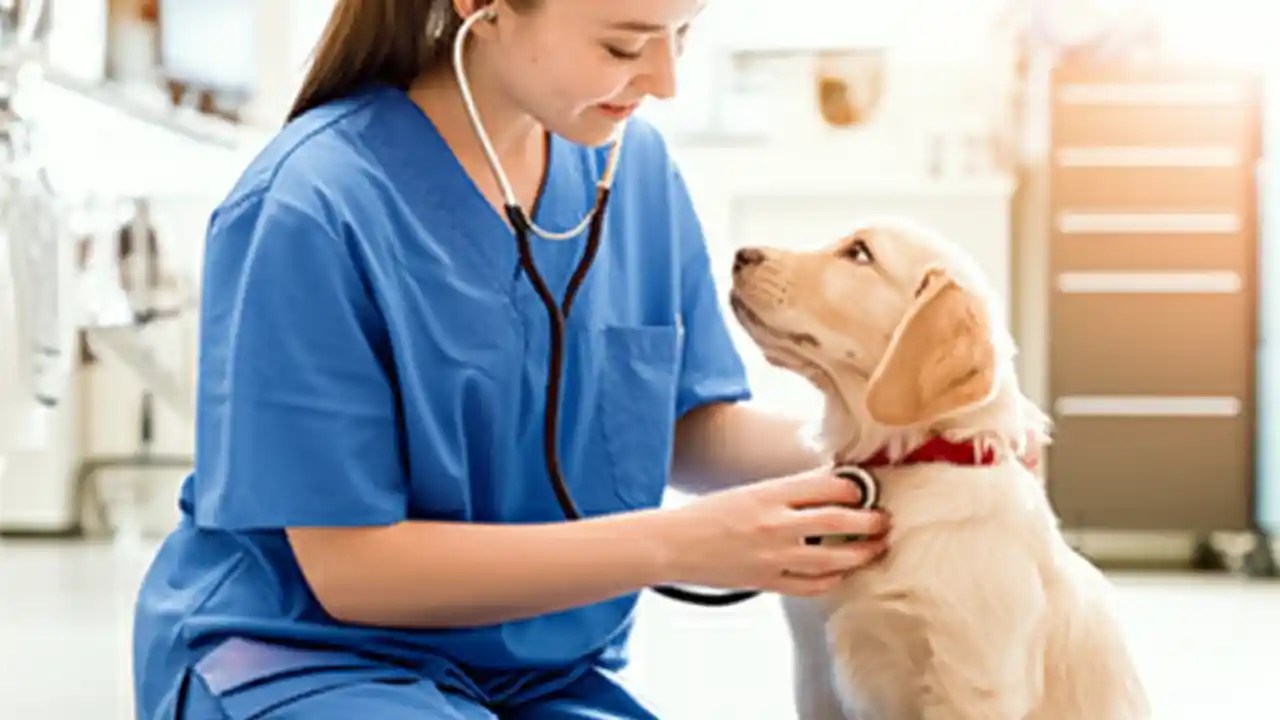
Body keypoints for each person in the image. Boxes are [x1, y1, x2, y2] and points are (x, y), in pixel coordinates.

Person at [130, 1, 893, 717]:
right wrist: (683, 545)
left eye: (683, 34)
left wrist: (908, 444)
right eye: (622, 45)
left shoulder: (633, 173)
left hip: (534, 677)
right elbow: (352, 571)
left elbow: (681, 428)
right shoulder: (310, 207)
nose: (665, 80)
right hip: (305, 657)